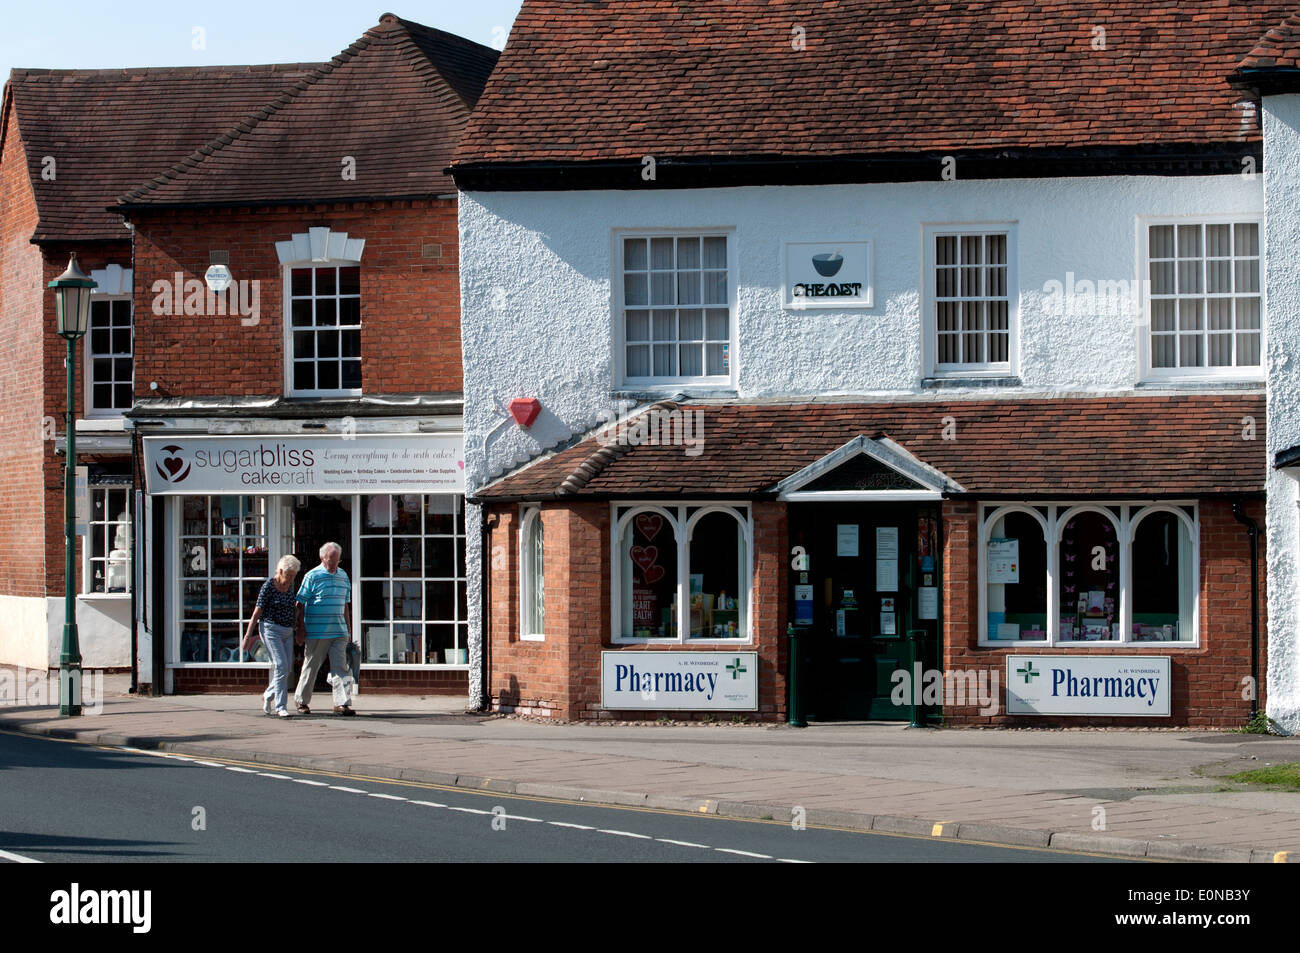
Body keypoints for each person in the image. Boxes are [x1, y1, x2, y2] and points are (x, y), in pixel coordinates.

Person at [293, 541, 356, 716]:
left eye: (336, 561)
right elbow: (300, 603)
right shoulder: (312, 576)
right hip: (316, 631)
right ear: (322, 558)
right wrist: (300, 628)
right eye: (330, 561)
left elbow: (345, 605)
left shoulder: (343, 576)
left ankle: (342, 703)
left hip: (338, 630)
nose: (333, 565)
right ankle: (301, 701)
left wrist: (348, 630)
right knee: (311, 665)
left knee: (340, 668)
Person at [243, 554, 302, 717]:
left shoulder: (289, 586)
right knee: (281, 665)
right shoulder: (269, 586)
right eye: (289, 575)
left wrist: (298, 628)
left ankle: (268, 694)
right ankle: (281, 706)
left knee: (287, 667)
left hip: (287, 630)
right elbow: (256, 613)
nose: (291, 579)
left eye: (293, 576)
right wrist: (247, 636)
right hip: (270, 629)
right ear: (281, 571)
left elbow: (293, 609)